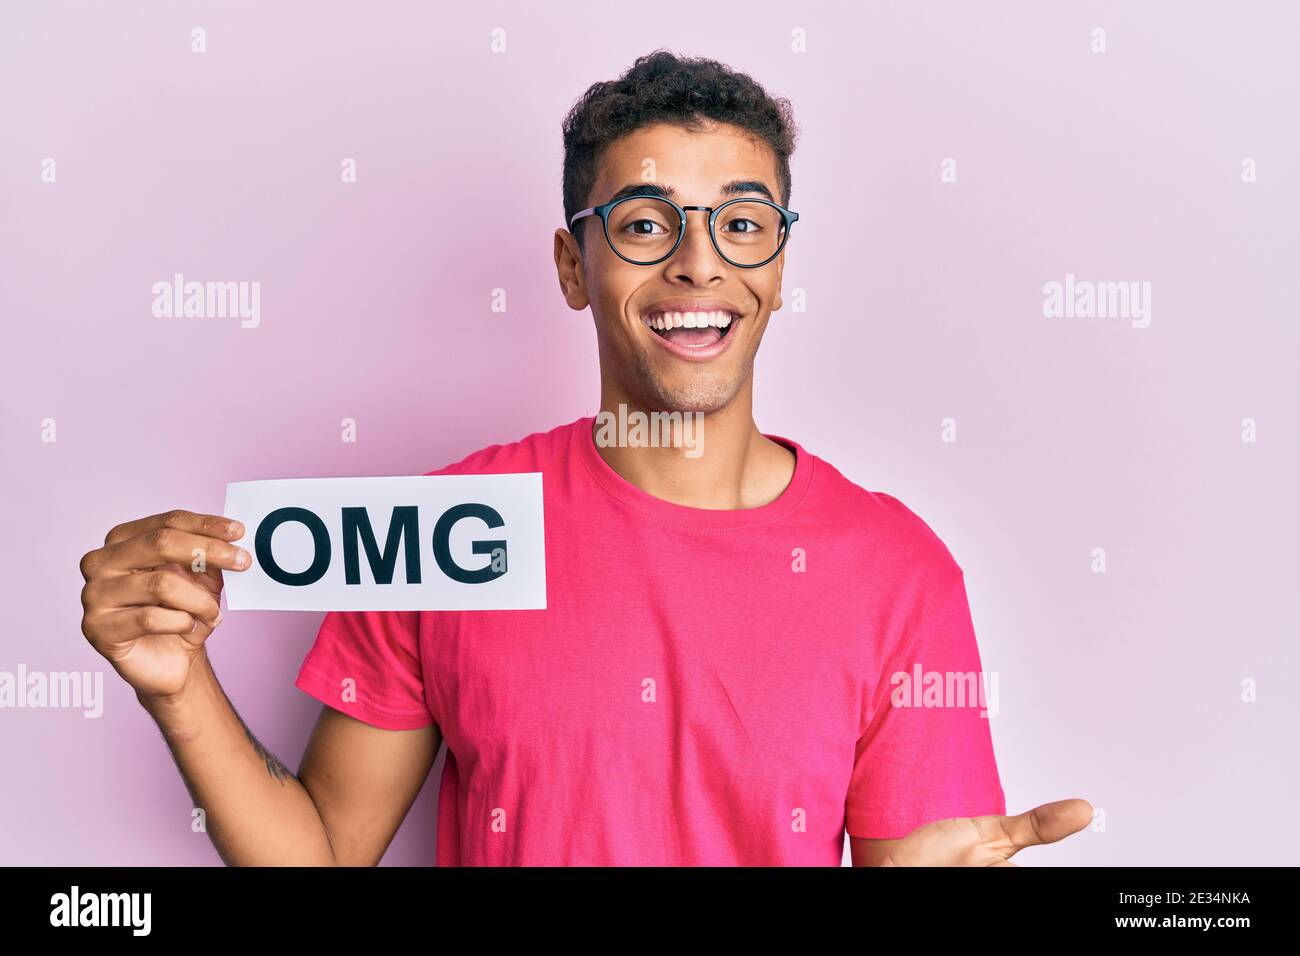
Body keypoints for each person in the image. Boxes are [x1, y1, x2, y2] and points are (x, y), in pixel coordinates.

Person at [78, 50, 1091, 866]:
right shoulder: (448, 530)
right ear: (575, 266)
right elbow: (326, 852)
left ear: (778, 267)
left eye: (743, 224)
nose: (699, 262)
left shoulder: (897, 571)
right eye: (646, 224)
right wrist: (179, 688)